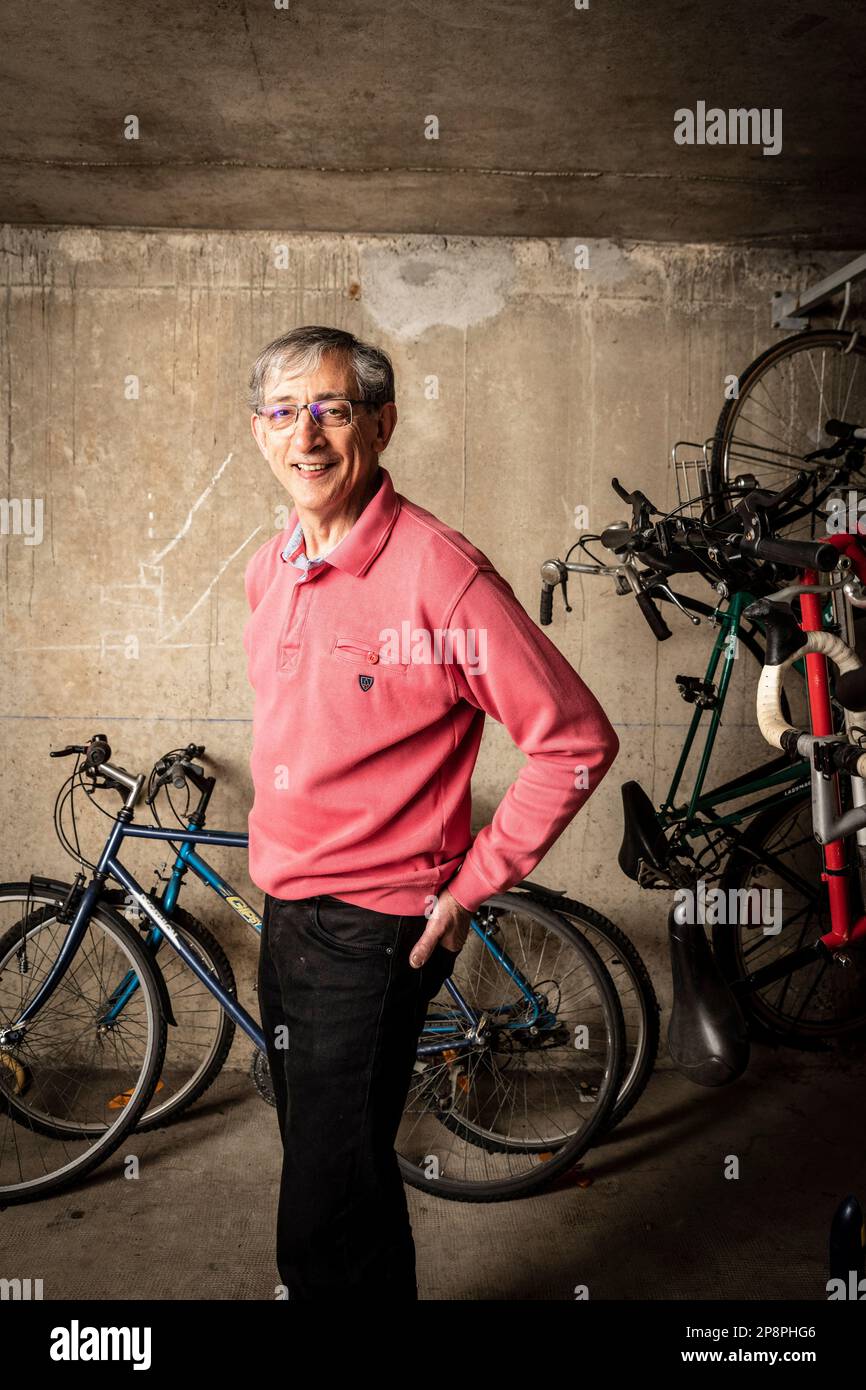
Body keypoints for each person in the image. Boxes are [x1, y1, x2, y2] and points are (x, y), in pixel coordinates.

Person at [243, 325, 619, 1300]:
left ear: (382, 422)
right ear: (258, 432)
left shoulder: (437, 572)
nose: (308, 434)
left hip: (373, 929)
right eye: (284, 411)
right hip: (284, 913)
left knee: (323, 1207)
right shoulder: (270, 564)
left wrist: (469, 887)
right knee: (335, 1166)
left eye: (333, 408)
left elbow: (573, 740)